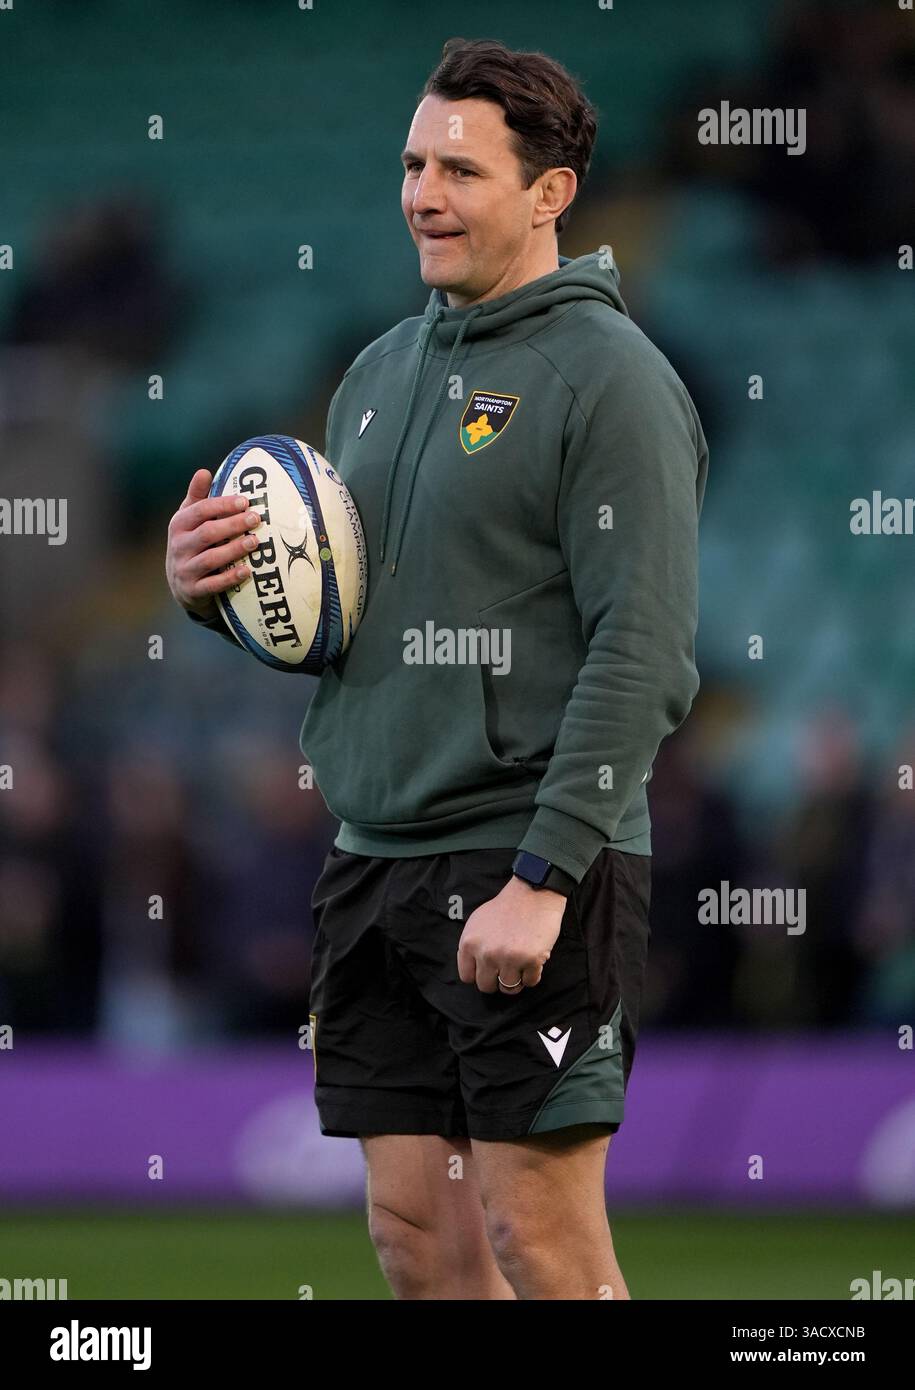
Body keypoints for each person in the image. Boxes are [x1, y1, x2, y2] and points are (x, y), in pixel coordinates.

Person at [166, 36, 708, 1300]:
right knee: (419, 1245)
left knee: (544, 1241)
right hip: (373, 860)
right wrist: (212, 588)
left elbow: (647, 651)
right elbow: (335, 613)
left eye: (459, 169)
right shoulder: (376, 373)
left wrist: (544, 874)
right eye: (413, 163)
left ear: (551, 191)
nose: (422, 192)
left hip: (528, 858)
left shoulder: (612, 379)